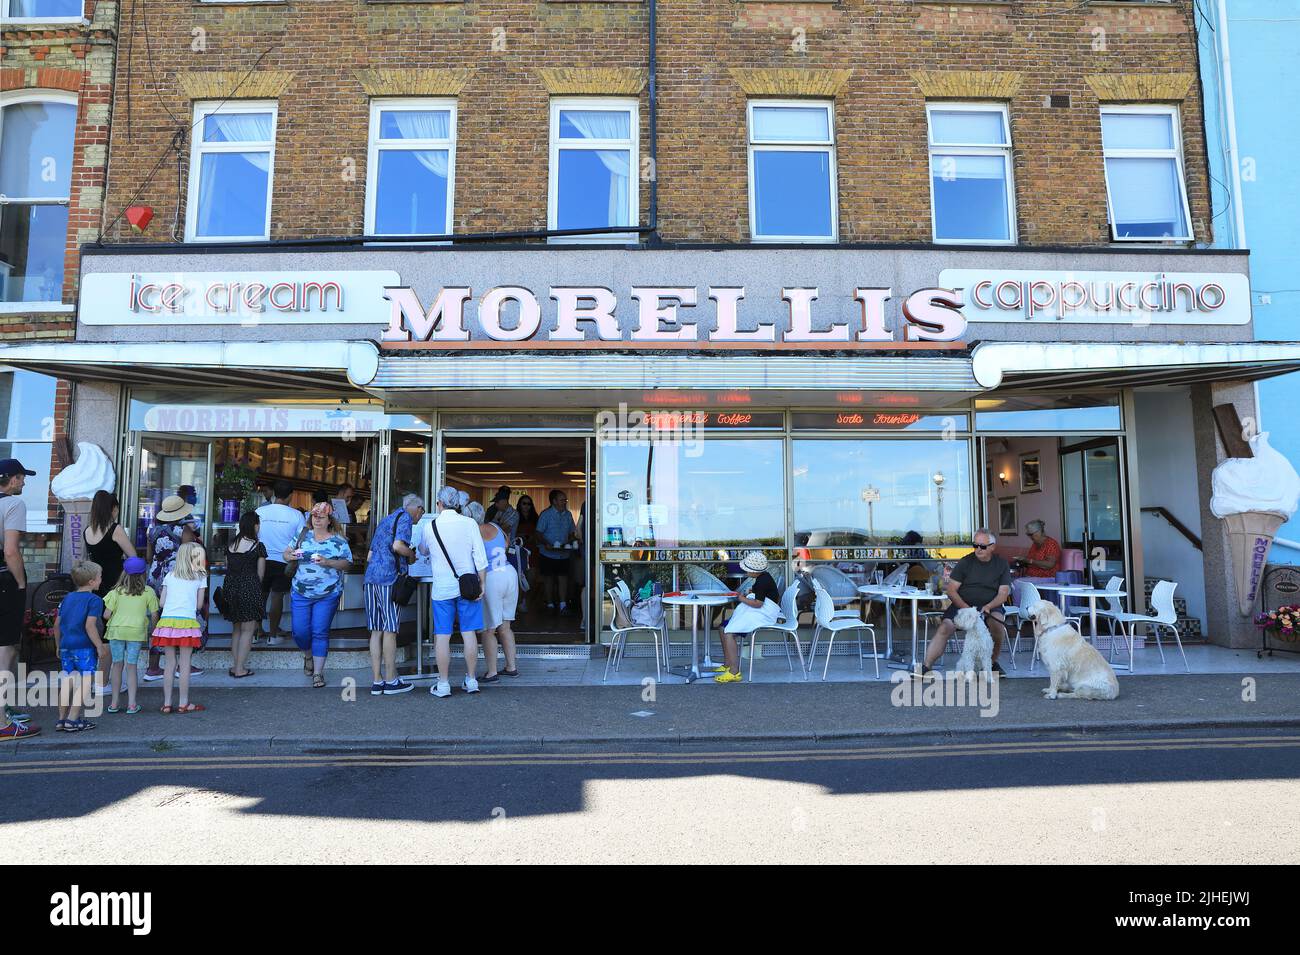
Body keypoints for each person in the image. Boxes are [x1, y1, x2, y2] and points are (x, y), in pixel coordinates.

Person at [420, 486, 487, 698]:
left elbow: (422, 550)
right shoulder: (469, 524)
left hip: (442, 588)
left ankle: (443, 684)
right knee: (469, 634)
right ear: (457, 504)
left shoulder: (430, 526)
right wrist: (482, 584)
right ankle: (471, 679)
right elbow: (480, 557)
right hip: (468, 587)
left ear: (439, 503)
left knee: (442, 636)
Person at [918, 528, 1013, 679]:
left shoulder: (1001, 564)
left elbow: (1003, 593)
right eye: (975, 545)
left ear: (993, 546)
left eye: (982, 546)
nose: (978, 549)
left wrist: (988, 607)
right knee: (944, 627)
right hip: (963, 605)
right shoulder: (966, 562)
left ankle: (991, 663)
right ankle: (926, 666)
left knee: (998, 624)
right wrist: (968, 609)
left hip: (990, 605)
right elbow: (951, 591)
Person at [285, 502, 351, 688]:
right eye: (315, 516)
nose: (317, 520)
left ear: (330, 520)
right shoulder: (302, 535)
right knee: (299, 631)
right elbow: (286, 553)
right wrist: (291, 556)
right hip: (300, 591)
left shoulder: (339, 541)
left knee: (319, 631)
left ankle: (318, 673)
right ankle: (308, 655)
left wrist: (329, 562)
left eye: (321, 517)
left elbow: (347, 564)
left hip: (328, 593)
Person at [364, 493, 423, 696]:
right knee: (390, 629)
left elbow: (370, 555)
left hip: (371, 579)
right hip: (389, 579)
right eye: (421, 512)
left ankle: (377, 681)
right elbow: (399, 546)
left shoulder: (387, 519)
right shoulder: (405, 518)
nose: (420, 517)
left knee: (376, 630)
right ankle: (391, 680)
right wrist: (412, 555)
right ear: (417, 508)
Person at [142, 494, 202, 682]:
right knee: (183, 615)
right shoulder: (182, 529)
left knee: (158, 619)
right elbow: (192, 552)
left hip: (155, 575)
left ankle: (153, 667)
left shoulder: (152, 530)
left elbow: (149, 556)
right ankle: (183, 664)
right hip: (177, 575)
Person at [84, 489, 137, 695]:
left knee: (97, 631)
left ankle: (97, 679)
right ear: (112, 509)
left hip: (95, 585)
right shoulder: (115, 529)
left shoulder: (87, 531)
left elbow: (84, 560)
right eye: (116, 509)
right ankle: (103, 682)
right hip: (115, 587)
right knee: (111, 634)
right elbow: (132, 557)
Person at [0, 458, 39, 739]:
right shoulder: (14, 504)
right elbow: (11, 550)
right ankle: (2, 721)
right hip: (5, 581)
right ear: (11, 479)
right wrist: (22, 582)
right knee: (5, 649)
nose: (24, 482)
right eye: (22, 477)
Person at [152, 541, 208, 713]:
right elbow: (199, 605)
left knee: (169, 664)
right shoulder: (200, 576)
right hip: (187, 623)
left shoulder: (169, 576)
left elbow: (161, 602)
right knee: (184, 665)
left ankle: (167, 703)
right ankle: (184, 703)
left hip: (167, 622)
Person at [468, 501, 519, 682]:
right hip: (508, 573)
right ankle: (511, 666)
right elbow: (506, 544)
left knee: (488, 629)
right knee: (505, 626)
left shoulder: (473, 532)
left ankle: (491, 671)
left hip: (491, 578)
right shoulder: (496, 526)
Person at [102, 556, 157, 715]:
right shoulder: (149, 592)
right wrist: (154, 631)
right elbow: (154, 615)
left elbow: (106, 615)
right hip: (136, 632)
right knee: (131, 667)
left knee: (117, 665)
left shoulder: (115, 592)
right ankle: (132, 704)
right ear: (143, 574)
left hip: (116, 631)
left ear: (124, 573)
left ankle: (114, 704)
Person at [55, 560, 105, 732]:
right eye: (99, 577)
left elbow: (57, 624)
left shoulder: (67, 598)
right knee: (85, 683)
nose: (101, 580)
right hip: (84, 646)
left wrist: (57, 645)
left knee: (68, 681)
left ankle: (61, 720)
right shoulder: (94, 600)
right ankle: (73, 719)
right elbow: (90, 626)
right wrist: (99, 645)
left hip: (66, 645)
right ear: (91, 581)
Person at [716, 551, 780, 684]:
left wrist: (741, 598)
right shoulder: (764, 578)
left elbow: (758, 604)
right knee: (722, 628)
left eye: (747, 570)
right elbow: (762, 594)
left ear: (755, 571)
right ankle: (728, 663)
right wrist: (752, 592)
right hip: (760, 612)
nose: (745, 572)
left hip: (764, 614)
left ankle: (734, 672)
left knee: (729, 632)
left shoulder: (762, 582)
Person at [256, 479, 305, 645]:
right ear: (291, 496)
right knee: (277, 597)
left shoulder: (260, 512)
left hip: (260, 559)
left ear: (274, 493)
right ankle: (272, 634)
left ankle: (256, 632)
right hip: (284, 561)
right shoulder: (296, 515)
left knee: (260, 596)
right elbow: (301, 540)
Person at [223, 512, 266, 679]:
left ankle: (235, 666)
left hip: (231, 588)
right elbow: (260, 574)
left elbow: (228, 567)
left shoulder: (231, 545)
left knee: (236, 629)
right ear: (255, 525)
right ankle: (240, 669)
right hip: (249, 587)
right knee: (248, 630)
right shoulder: (257, 546)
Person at [535, 490, 578, 614]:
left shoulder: (568, 514)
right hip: (547, 553)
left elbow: (572, 532)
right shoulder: (546, 514)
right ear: (554, 501)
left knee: (563, 578)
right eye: (562, 500)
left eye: (565, 500)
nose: (565, 502)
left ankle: (563, 605)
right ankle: (549, 604)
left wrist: (570, 540)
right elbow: (538, 533)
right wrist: (546, 543)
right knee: (548, 579)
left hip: (563, 552)